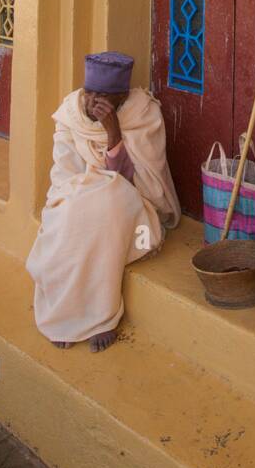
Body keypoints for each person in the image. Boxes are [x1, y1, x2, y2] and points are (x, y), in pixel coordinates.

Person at [26, 52, 181, 353]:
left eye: (104, 97)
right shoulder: (70, 114)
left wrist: (113, 135)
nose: (92, 102)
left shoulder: (143, 116)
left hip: (133, 205)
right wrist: (86, 191)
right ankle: (61, 313)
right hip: (80, 197)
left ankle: (102, 317)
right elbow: (63, 176)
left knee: (109, 203)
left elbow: (147, 184)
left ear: (122, 97)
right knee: (75, 213)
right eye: (89, 93)